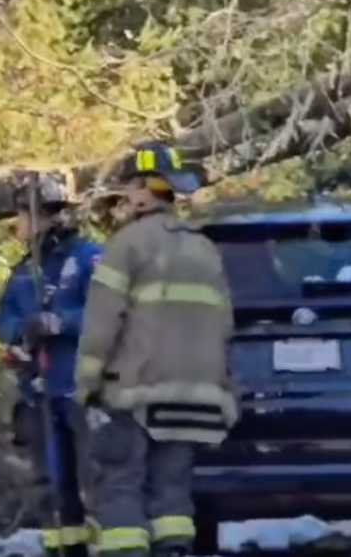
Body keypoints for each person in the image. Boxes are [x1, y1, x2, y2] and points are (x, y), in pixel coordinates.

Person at [75, 144, 237, 557]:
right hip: (194, 397)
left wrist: (87, 385)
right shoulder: (205, 249)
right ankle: (176, 549)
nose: (127, 197)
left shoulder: (127, 244)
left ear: (147, 191)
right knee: (172, 493)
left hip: (135, 392)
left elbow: (101, 324)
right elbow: (224, 325)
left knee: (120, 483)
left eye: (131, 187)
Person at [0, 174, 102, 557]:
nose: (18, 225)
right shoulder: (24, 270)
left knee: (93, 479)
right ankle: (64, 549)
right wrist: (18, 336)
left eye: (23, 215)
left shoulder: (87, 258)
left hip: (80, 388)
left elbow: (108, 312)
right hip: (38, 390)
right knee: (51, 484)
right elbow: (3, 317)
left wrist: (62, 323)